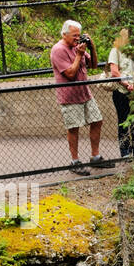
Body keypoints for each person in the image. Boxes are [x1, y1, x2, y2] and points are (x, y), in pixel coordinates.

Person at [51, 20, 103, 175]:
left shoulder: (76, 47)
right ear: (64, 34)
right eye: (74, 36)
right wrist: (79, 55)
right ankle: (75, 161)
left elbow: (93, 65)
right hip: (70, 95)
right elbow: (70, 74)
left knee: (97, 120)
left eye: (79, 36)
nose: (77, 39)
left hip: (84, 92)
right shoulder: (58, 50)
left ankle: (95, 156)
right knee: (74, 128)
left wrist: (92, 47)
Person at [107, 28, 134, 159]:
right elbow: (114, 72)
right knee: (123, 121)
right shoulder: (115, 51)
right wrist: (127, 84)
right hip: (121, 91)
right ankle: (125, 151)